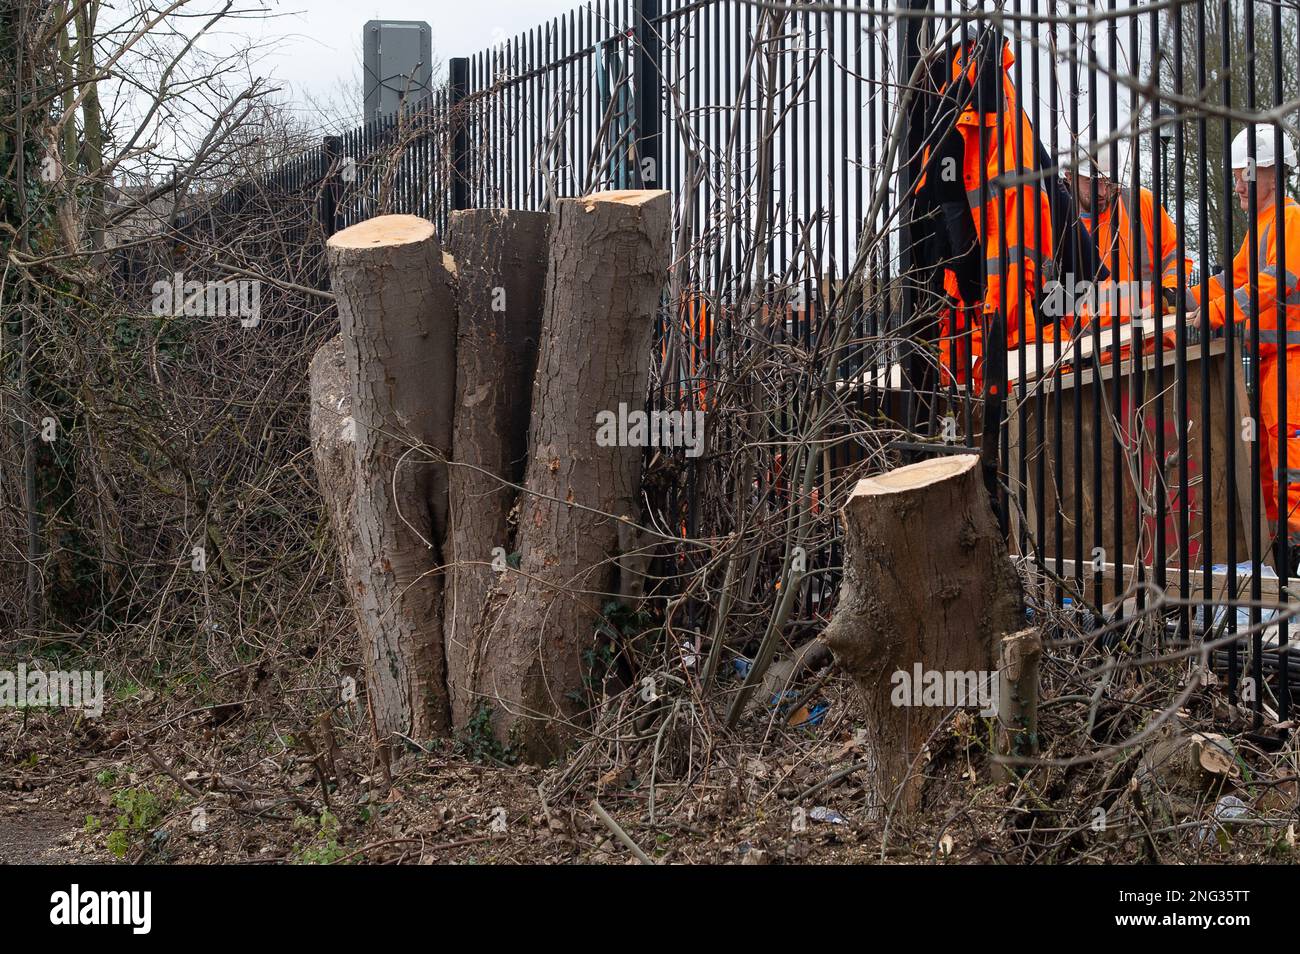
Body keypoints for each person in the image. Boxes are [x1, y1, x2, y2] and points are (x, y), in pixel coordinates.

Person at [914, 29, 1054, 389]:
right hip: (1007, 289)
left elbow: (947, 202)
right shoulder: (1002, 101)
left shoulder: (963, 101)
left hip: (992, 290)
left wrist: (959, 260)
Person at [1190, 123, 1300, 557]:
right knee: (1273, 463)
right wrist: (1184, 298)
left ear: (1271, 173)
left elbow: (1275, 280)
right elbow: (1232, 278)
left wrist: (1213, 312)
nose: (1236, 183)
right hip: (1276, 363)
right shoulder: (1264, 227)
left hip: (1293, 362)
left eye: (1243, 173)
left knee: (1291, 456)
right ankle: (1282, 548)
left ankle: (1294, 546)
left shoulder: (1290, 220)